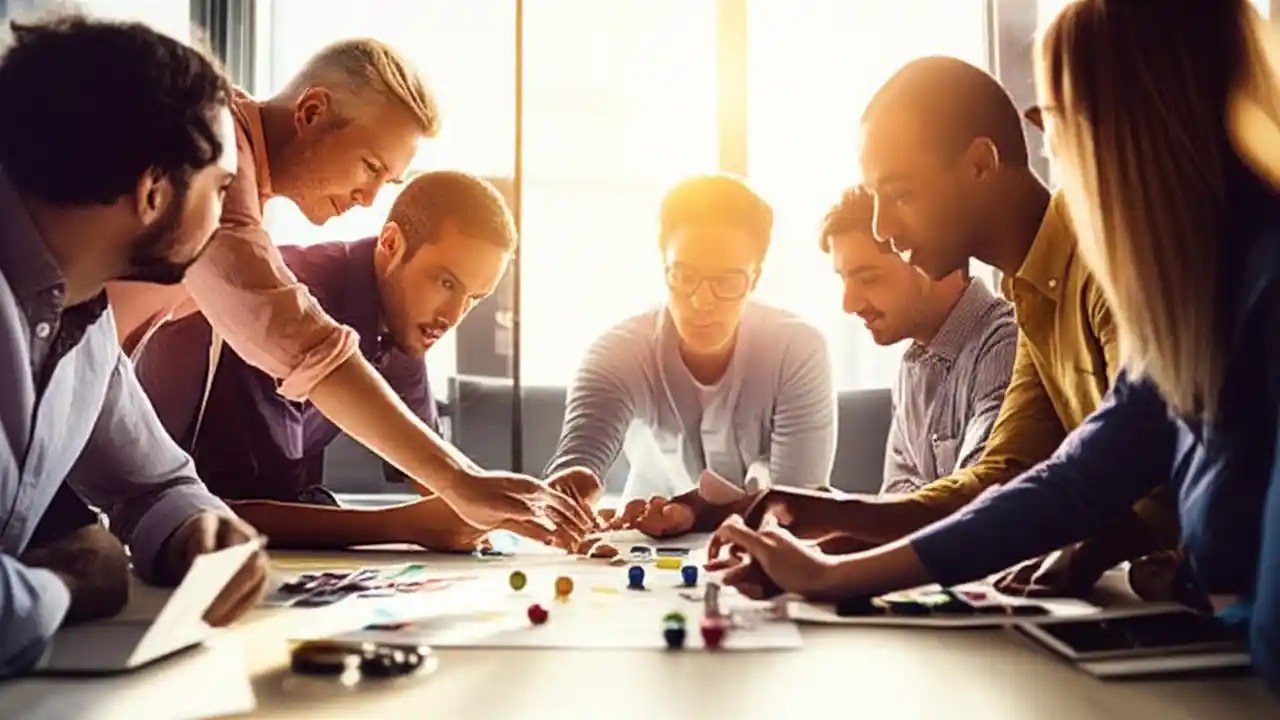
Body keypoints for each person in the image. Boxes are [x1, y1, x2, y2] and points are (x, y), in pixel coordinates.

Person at [710, 0, 1280, 691]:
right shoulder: (1190, 295)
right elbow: (1066, 479)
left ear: (1140, 131)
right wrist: (836, 567)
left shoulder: (1241, 287)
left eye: (1065, 136)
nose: (1065, 175)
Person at [707, 55, 1181, 596]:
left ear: (980, 164)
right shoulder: (1030, 289)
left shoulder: (1105, 250)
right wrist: (847, 519)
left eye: (901, 194)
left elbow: (1125, 462)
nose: (883, 228)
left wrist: (841, 573)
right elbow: (1001, 475)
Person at [103, 36, 595, 546]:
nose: (368, 199)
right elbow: (299, 340)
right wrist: (458, 485)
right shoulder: (214, 145)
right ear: (312, 111)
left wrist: (489, 497)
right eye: (370, 167)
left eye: (388, 180)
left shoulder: (243, 185)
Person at [0, 16, 269, 676]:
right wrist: (66, 583)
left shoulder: (78, 313)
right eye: (223, 187)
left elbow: (154, 483)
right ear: (153, 192)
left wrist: (196, 529)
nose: (227, 213)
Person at [135, 170, 591, 551]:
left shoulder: (401, 321)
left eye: (473, 298)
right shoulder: (284, 307)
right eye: (446, 283)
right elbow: (215, 514)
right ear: (391, 243)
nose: (452, 317)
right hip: (159, 534)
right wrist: (400, 525)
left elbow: (437, 481)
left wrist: (543, 521)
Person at [545, 174, 837, 536]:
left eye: (727, 281)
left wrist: (695, 513)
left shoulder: (797, 350)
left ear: (756, 276)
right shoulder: (619, 351)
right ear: (663, 264)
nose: (702, 301)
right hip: (647, 543)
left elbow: (798, 504)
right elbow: (579, 459)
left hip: (763, 548)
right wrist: (568, 497)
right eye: (684, 275)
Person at [821, 186, 1015, 495]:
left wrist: (848, 514)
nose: (849, 303)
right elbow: (896, 493)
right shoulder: (912, 367)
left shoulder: (1005, 347)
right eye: (843, 279)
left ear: (928, 258)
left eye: (868, 278)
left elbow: (981, 502)